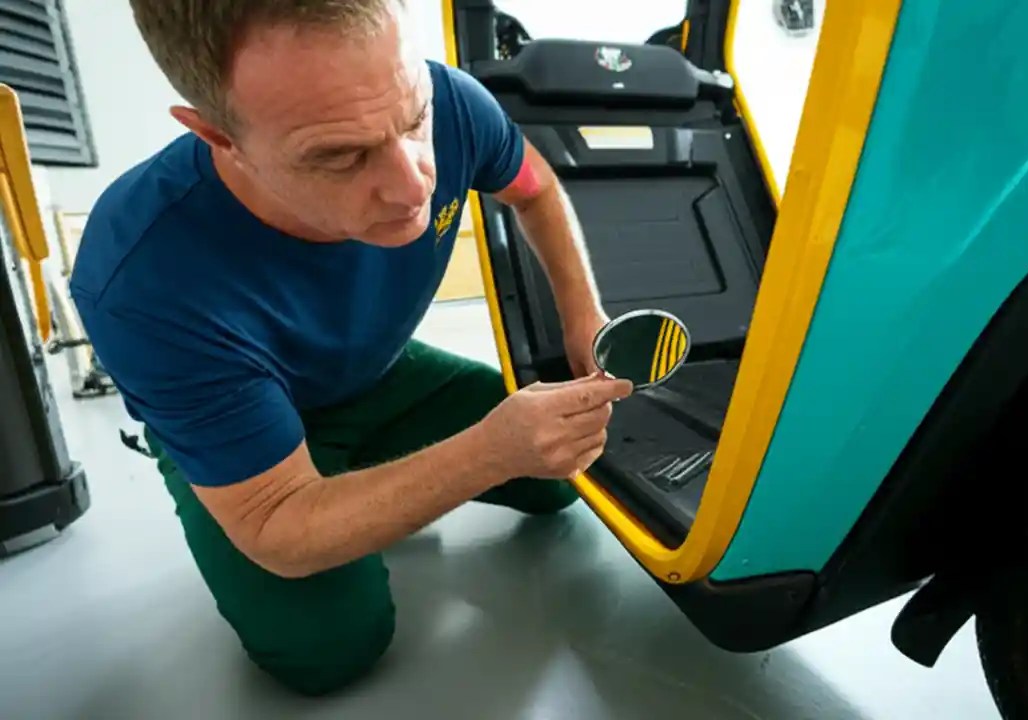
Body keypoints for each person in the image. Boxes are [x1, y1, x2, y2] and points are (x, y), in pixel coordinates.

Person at [69, 0, 633, 696]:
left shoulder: (453, 100)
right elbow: (277, 523)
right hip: (248, 434)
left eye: (413, 119)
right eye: (339, 154)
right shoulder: (140, 278)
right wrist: (490, 450)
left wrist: (584, 315)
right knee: (329, 651)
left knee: (561, 480)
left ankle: (360, 473)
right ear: (218, 136)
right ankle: (238, 465)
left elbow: (534, 187)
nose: (411, 185)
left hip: (376, 375)